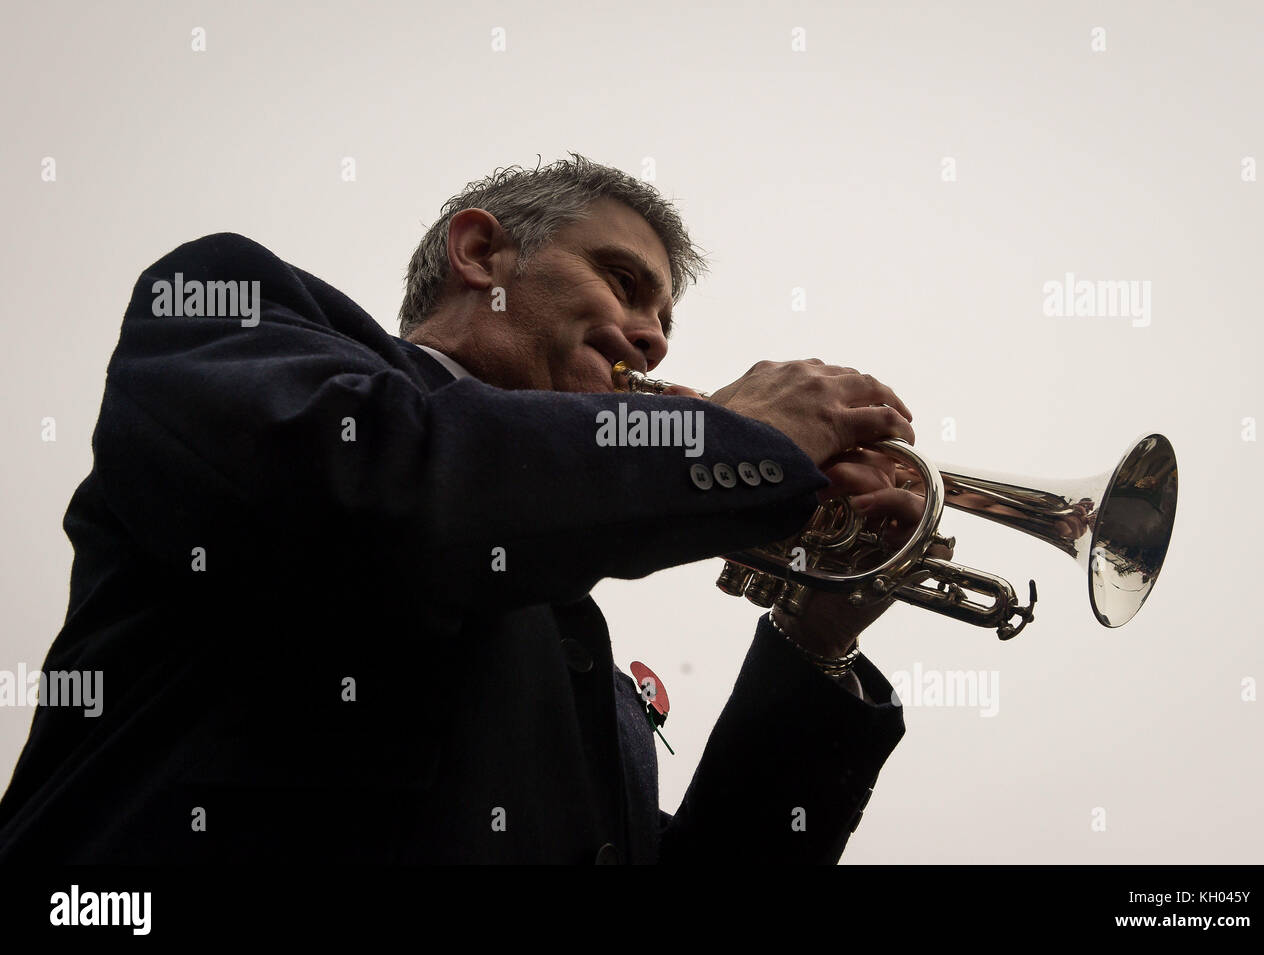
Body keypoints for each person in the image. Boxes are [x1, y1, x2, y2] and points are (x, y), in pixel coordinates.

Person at [0, 154, 948, 864]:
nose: (653, 341)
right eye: (626, 285)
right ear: (480, 250)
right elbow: (380, 489)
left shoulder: (578, 655)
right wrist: (727, 441)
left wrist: (816, 639)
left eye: (665, 321)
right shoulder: (228, 306)